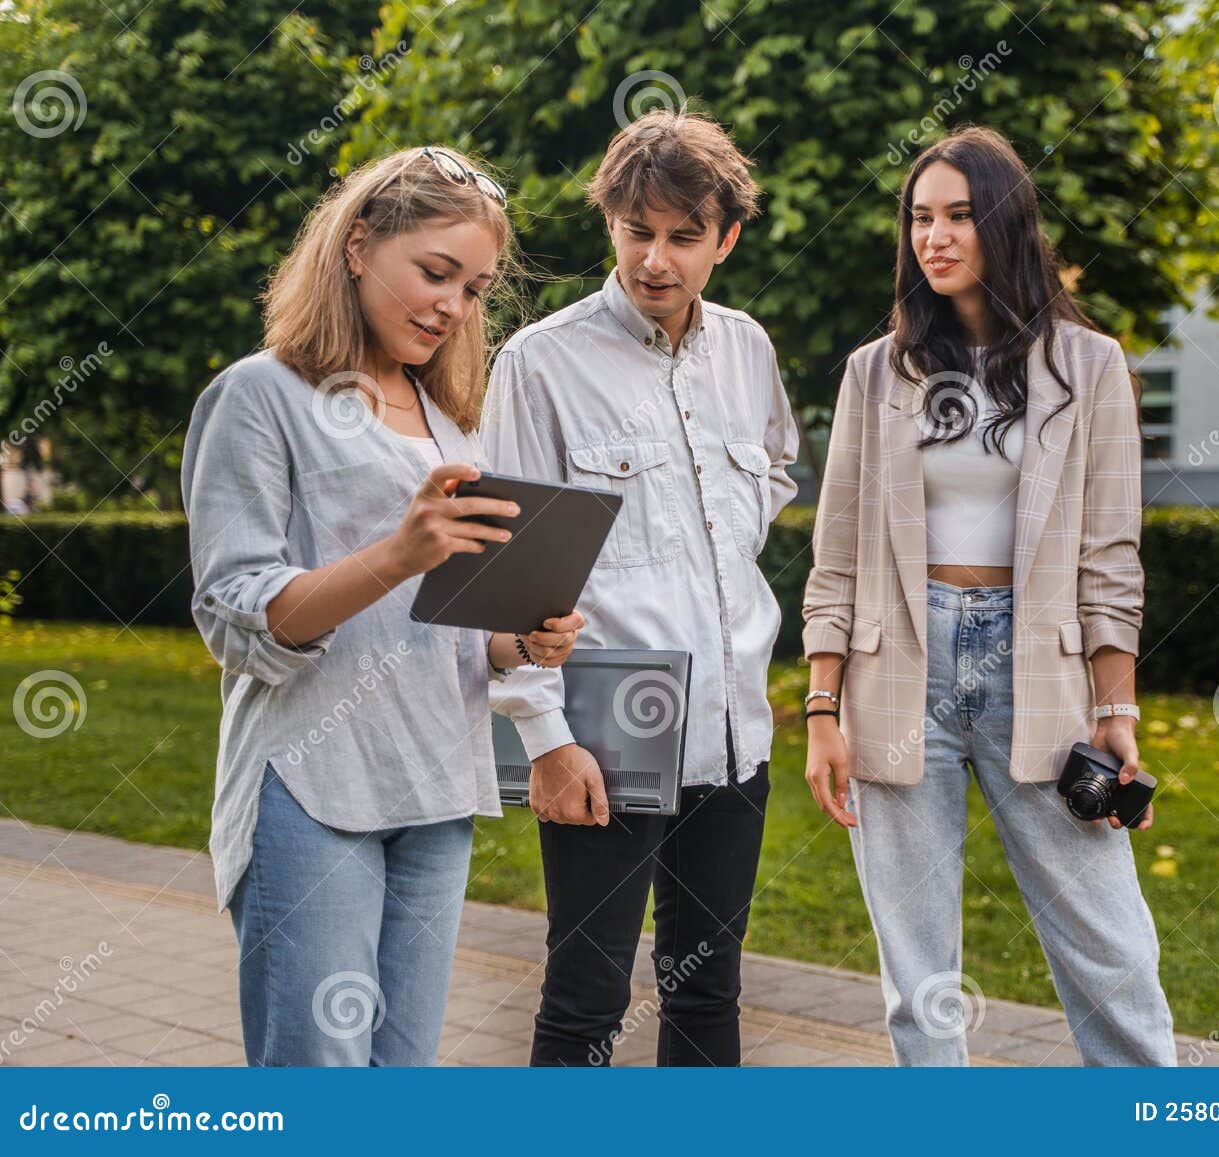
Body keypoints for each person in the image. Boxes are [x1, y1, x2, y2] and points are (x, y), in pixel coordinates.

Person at [181, 146, 584, 1066]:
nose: (454, 304)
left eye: (475, 288)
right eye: (436, 272)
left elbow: (447, 625)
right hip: (311, 784)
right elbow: (238, 616)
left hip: (436, 781)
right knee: (320, 1078)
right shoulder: (259, 396)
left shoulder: (452, 418)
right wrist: (398, 553)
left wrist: (518, 641)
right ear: (358, 244)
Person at [801, 126, 1178, 1066]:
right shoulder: (875, 372)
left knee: (1112, 947)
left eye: (959, 217)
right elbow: (837, 552)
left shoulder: (1088, 366)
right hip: (897, 670)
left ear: (1004, 225)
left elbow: (1110, 557)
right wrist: (820, 704)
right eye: (920, 219)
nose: (935, 237)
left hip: (1038, 676)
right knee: (918, 972)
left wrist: (1118, 703)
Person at [484, 109, 799, 1066]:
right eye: (636, 231)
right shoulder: (540, 361)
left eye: (682, 237)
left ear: (726, 240)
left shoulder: (748, 349)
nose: (655, 259)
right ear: (610, 226)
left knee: (708, 990)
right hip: (608, 717)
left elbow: (772, 473)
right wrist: (544, 739)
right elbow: (506, 577)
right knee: (585, 1001)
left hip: (737, 720)